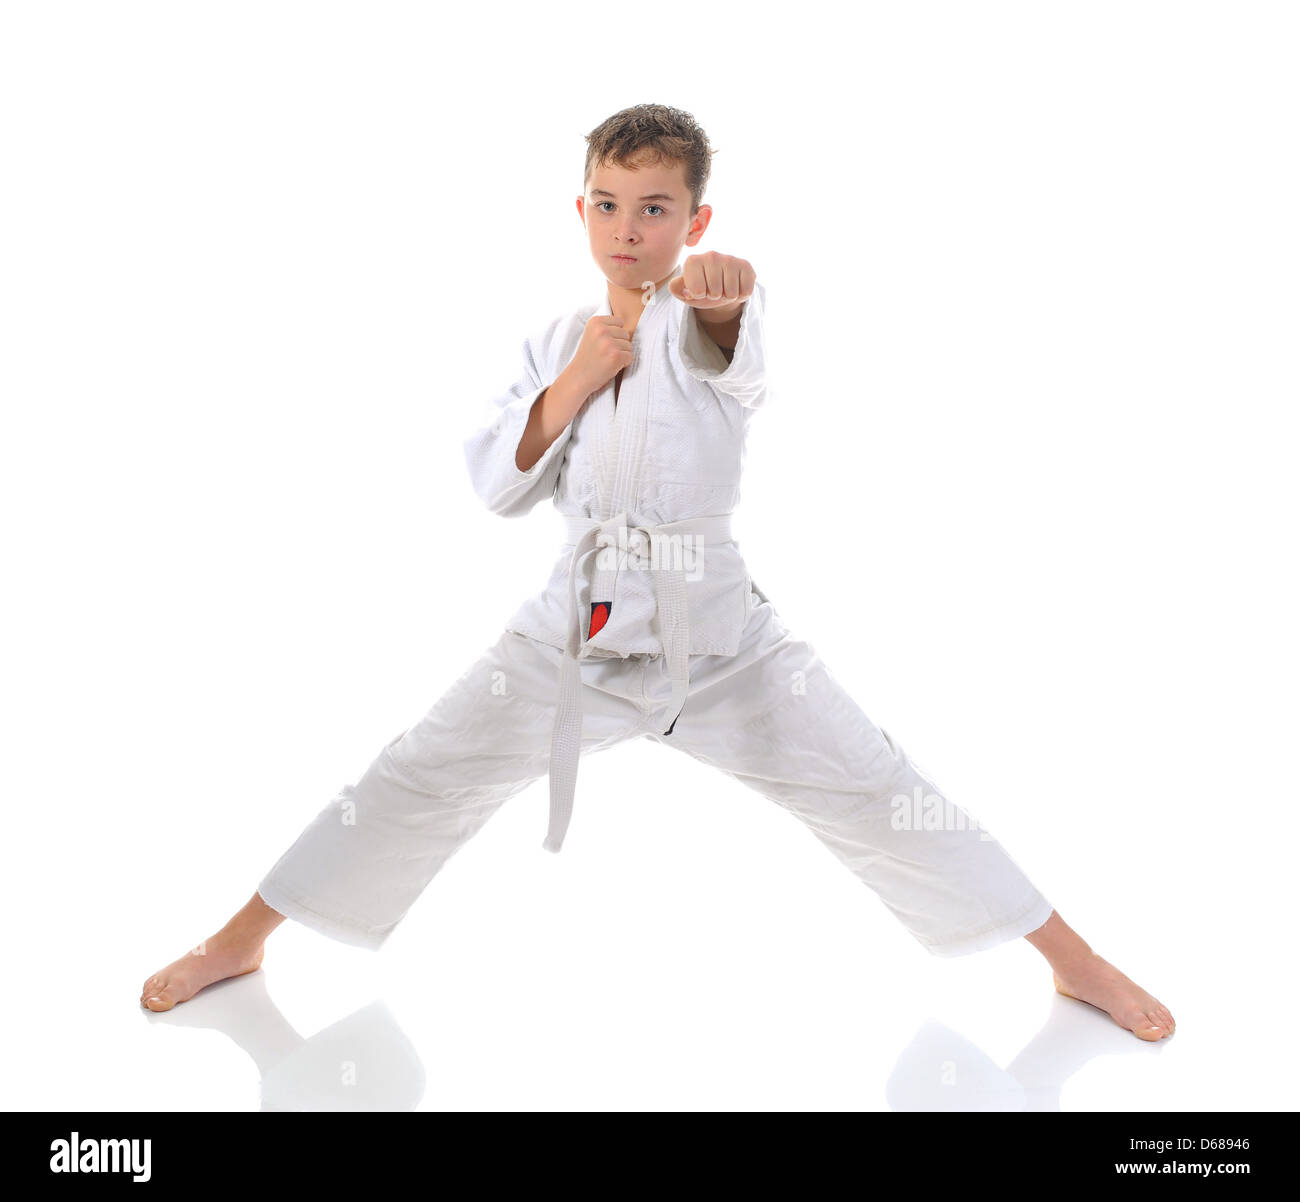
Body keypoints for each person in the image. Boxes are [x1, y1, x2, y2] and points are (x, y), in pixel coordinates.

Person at [142, 104, 1175, 1042]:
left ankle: (1071, 960)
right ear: (580, 209)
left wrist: (723, 306)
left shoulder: (711, 319)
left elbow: (742, 357)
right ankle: (241, 937)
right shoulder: (553, 339)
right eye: (608, 203)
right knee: (412, 773)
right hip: (568, 639)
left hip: (721, 641)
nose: (627, 225)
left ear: (694, 217)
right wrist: (579, 379)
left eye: (654, 207)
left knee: (878, 783)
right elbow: (495, 488)